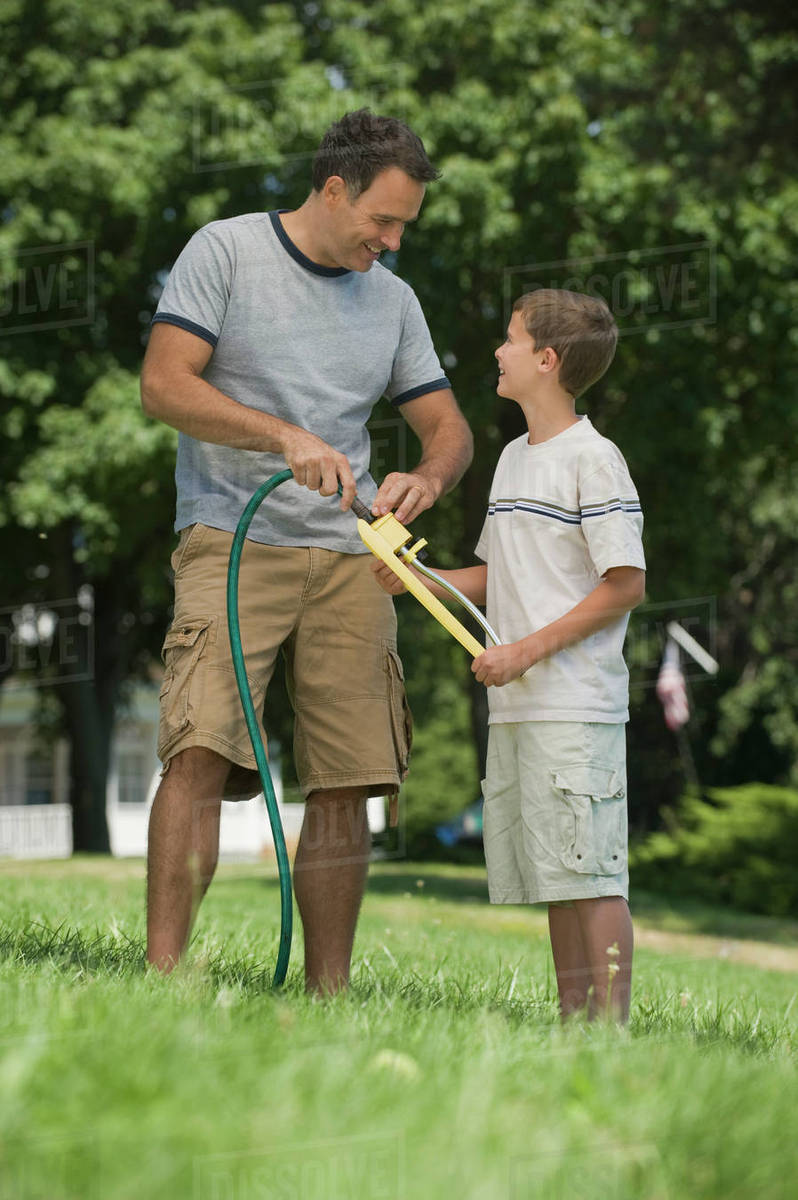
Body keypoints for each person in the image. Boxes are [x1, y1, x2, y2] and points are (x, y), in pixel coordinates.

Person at [140, 109, 473, 993]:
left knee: (348, 777)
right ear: (334, 190)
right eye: (383, 221)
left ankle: (330, 995)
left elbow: (447, 429)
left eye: (404, 225)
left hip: (351, 558)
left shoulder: (393, 302)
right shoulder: (227, 252)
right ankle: (162, 976)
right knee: (198, 749)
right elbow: (163, 385)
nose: (392, 243)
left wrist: (428, 480)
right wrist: (281, 435)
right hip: (230, 537)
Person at [373, 289, 645, 1021]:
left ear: (547, 360)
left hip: (572, 702)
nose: (498, 350)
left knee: (590, 875)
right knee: (557, 878)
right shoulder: (513, 461)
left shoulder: (595, 460)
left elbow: (624, 584)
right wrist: (414, 580)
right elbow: (501, 578)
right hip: (518, 705)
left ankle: (609, 1034)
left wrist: (522, 652)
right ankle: (572, 1028)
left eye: (512, 339)